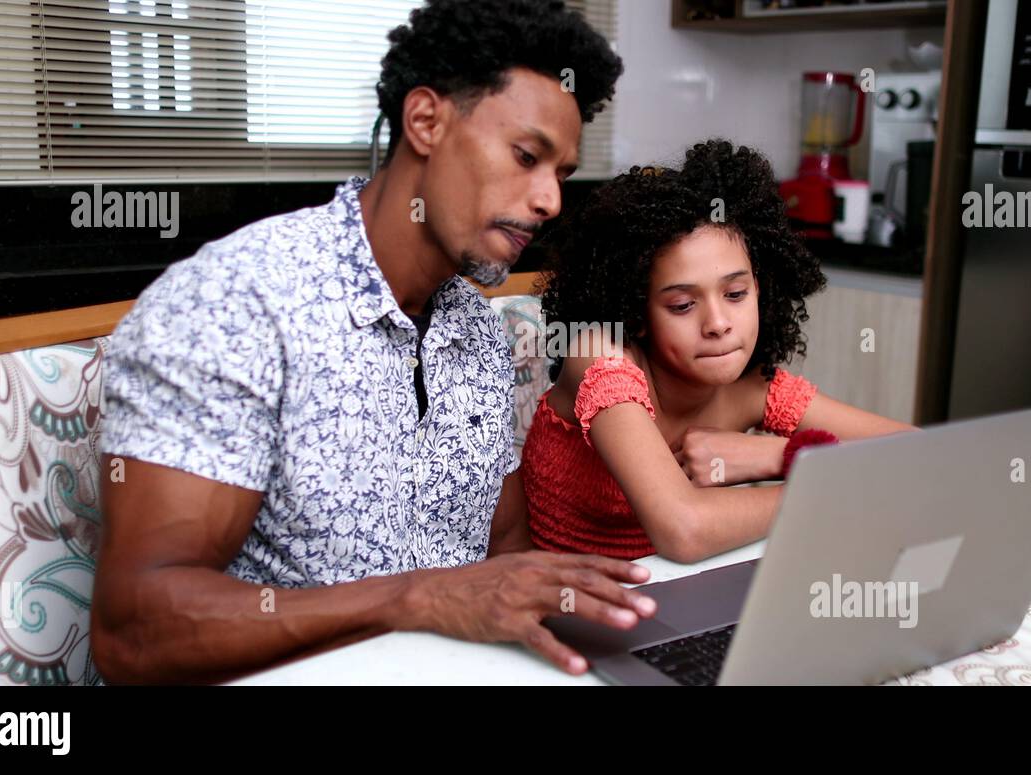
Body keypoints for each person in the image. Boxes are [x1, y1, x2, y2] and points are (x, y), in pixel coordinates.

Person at [92, 0, 654, 684]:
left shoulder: (476, 329)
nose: (549, 201)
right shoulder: (236, 302)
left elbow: (506, 550)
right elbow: (132, 629)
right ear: (426, 121)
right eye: (527, 156)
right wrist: (416, 598)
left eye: (561, 174)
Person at [522, 140, 919, 563]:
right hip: (576, 610)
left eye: (735, 293)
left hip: (690, 603)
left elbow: (926, 456)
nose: (717, 323)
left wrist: (777, 456)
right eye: (682, 305)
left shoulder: (754, 389)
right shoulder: (600, 358)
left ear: (760, 289)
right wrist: (820, 484)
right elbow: (684, 529)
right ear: (636, 312)